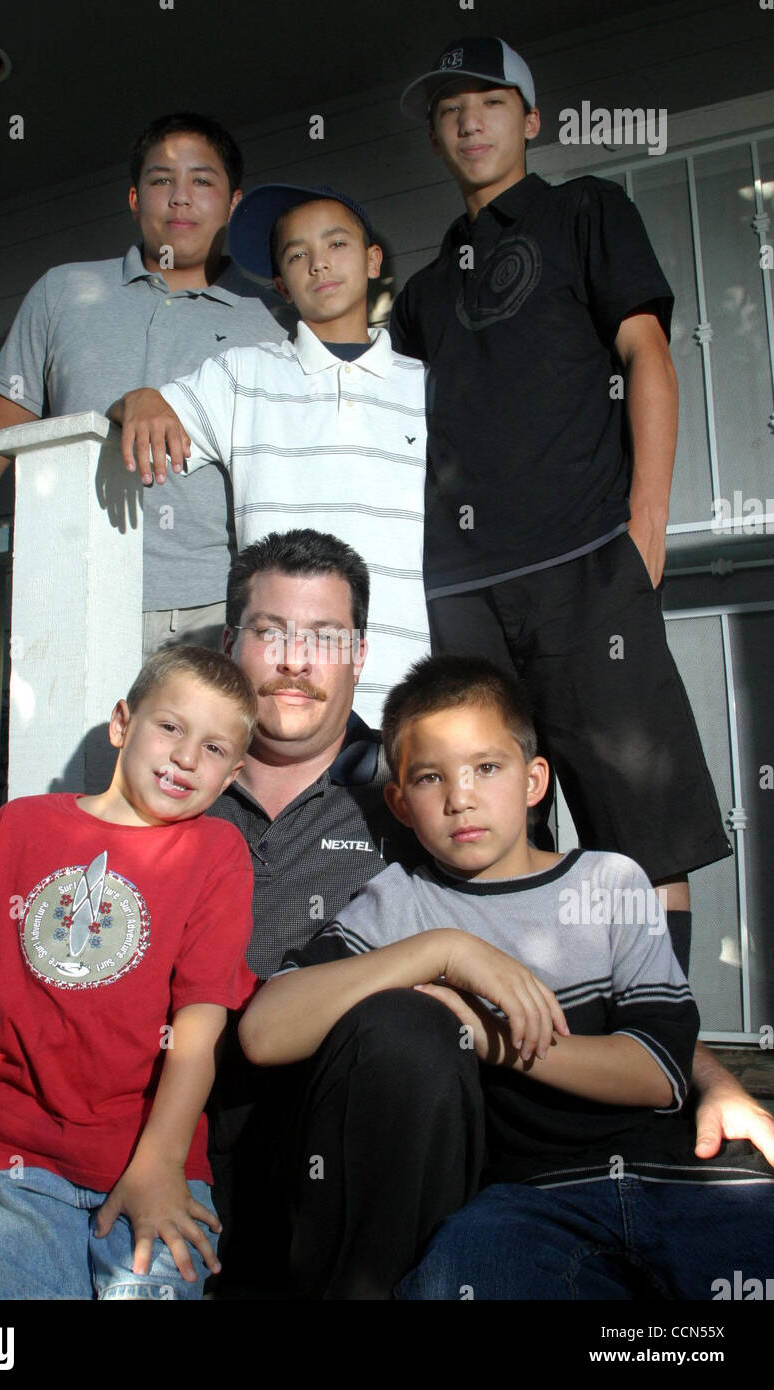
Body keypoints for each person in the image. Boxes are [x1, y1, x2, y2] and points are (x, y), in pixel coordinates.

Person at [0, 533, 773, 1293]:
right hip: (126, 1155)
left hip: (341, 1164)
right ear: (232, 642)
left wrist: (696, 1069)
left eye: (326, 636)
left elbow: (546, 934)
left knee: (407, 1026)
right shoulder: (159, 798)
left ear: (359, 655)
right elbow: (53, 982)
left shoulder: (419, 785)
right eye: (272, 631)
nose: (298, 660)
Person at [390, 32, 740, 1118]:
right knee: (483, 814)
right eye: (447, 110)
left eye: (488, 103)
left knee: (635, 817)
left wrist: (643, 522)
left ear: (527, 118)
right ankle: (516, 1052)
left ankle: (660, 1056)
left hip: (583, 562)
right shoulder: (418, 288)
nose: (468, 123)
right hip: (455, 585)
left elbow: (643, 353)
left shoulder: (586, 210)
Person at [242, 654, 774, 1300]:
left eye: (486, 768)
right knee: (453, 1281)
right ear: (399, 804)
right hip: (525, 1202)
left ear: (533, 780)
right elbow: (265, 1033)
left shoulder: (608, 882)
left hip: (673, 1176)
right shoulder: (401, 903)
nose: (460, 797)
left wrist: (483, 1031)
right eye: (430, 778)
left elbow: (655, 1071)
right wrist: (440, 949)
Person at [0, 645, 259, 1299]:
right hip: (4, 1165)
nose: (188, 756)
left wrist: (160, 1164)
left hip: (151, 1164)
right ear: (121, 723)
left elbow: (200, 1022)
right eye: (170, 727)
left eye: (215, 750)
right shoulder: (21, 827)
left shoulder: (217, 854)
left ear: (232, 775)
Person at [0, 113, 291, 653]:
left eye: (203, 181)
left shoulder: (271, 315)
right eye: (161, 180)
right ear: (135, 198)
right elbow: (1, 419)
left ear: (234, 203)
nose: (180, 198)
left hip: (222, 602)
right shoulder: (63, 291)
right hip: (74, 588)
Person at [111, 184, 430, 724]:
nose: (318, 264)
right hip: (281, 680)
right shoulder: (242, 375)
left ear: (373, 260)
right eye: (297, 254)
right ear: (281, 284)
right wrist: (138, 398)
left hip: (404, 675)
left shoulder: (425, 384)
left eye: (336, 245)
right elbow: (151, 415)